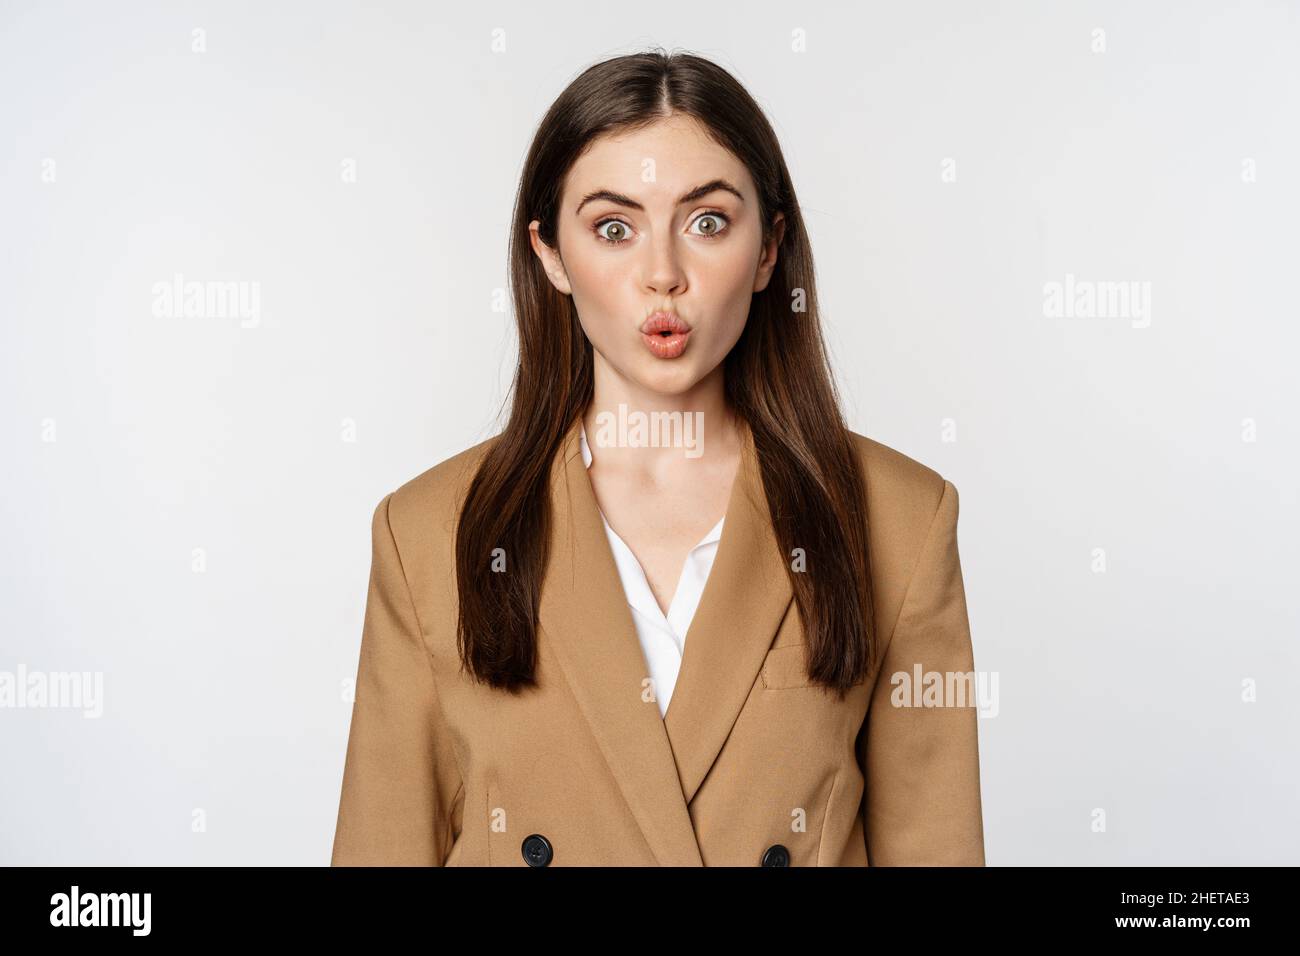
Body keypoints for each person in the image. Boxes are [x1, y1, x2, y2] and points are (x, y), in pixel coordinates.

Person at [331, 48, 985, 866]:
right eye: (614, 227)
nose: (663, 276)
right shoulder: (426, 532)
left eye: (707, 222)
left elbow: (936, 847)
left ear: (769, 249)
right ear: (551, 256)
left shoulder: (899, 520)